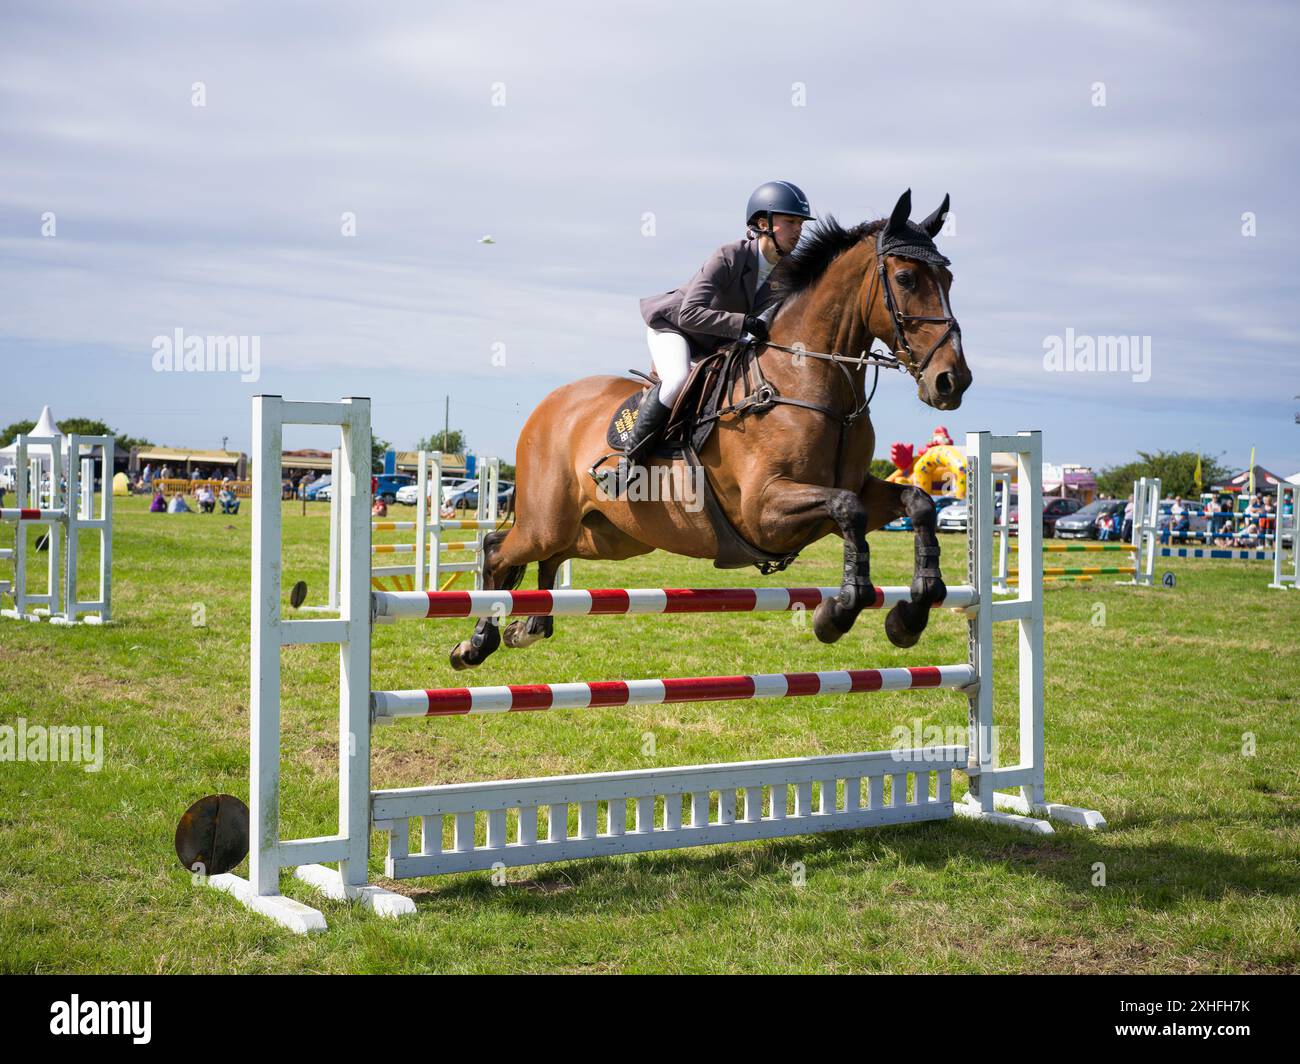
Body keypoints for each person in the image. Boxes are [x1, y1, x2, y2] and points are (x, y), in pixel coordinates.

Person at [613, 180, 816, 481]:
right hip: (674, 327)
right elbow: (690, 312)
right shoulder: (729, 256)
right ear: (764, 223)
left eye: (800, 223)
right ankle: (629, 462)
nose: (798, 230)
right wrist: (743, 325)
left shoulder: (787, 271)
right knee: (678, 379)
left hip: (716, 342)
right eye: (790, 222)